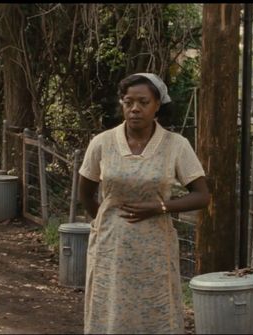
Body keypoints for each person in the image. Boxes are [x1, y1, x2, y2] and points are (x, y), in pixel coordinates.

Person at [78, 73, 210, 334]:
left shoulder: (176, 145)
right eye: (128, 102)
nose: (135, 108)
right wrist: (107, 222)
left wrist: (160, 208)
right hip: (110, 246)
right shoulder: (102, 143)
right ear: (122, 104)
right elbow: (85, 192)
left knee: (156, 308)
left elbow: (202, 196)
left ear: (157, 105)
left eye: (143, 102)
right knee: (110, 308)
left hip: (155, 246)